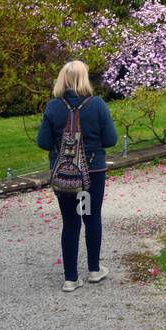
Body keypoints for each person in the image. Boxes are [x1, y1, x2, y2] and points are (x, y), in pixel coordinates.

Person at [37, 60, 118, 293]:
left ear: (62, 79)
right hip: (92, 174)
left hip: (64, 175)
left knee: (70, 223)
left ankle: (70, 278)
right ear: (84, 79)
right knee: (92, 217)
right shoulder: (98, 105)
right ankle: (94, 270)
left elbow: (43, 142)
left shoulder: (53, 107)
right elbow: (111, 139)